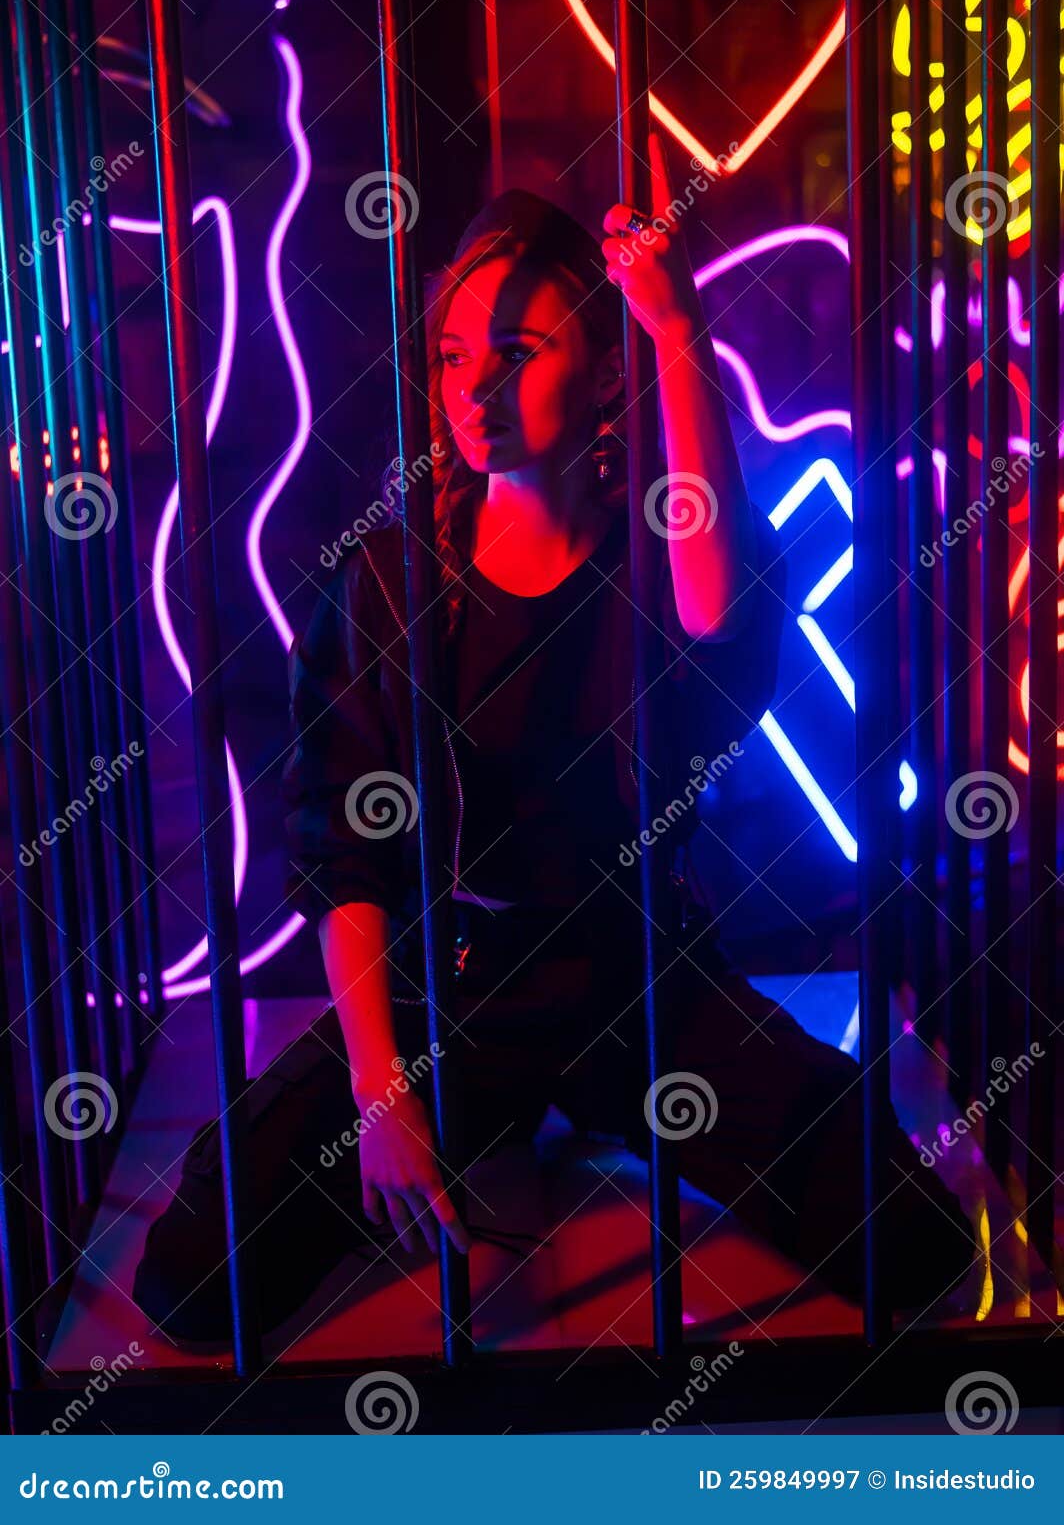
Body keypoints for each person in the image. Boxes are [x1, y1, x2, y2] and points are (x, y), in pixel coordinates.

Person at [133, 135, 975, 1343]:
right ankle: (493, 1108)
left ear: (601, 373)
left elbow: (721, 624)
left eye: (517, 353)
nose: (472, 387)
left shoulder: (652, 548)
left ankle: (585, 1104)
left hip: (638, 975)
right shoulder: (390, 582)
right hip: (455, 984)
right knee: (195, 1272)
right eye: (452, 355)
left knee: (908, 1237)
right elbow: (341, 844)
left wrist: (674, 326)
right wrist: (379, 1088)